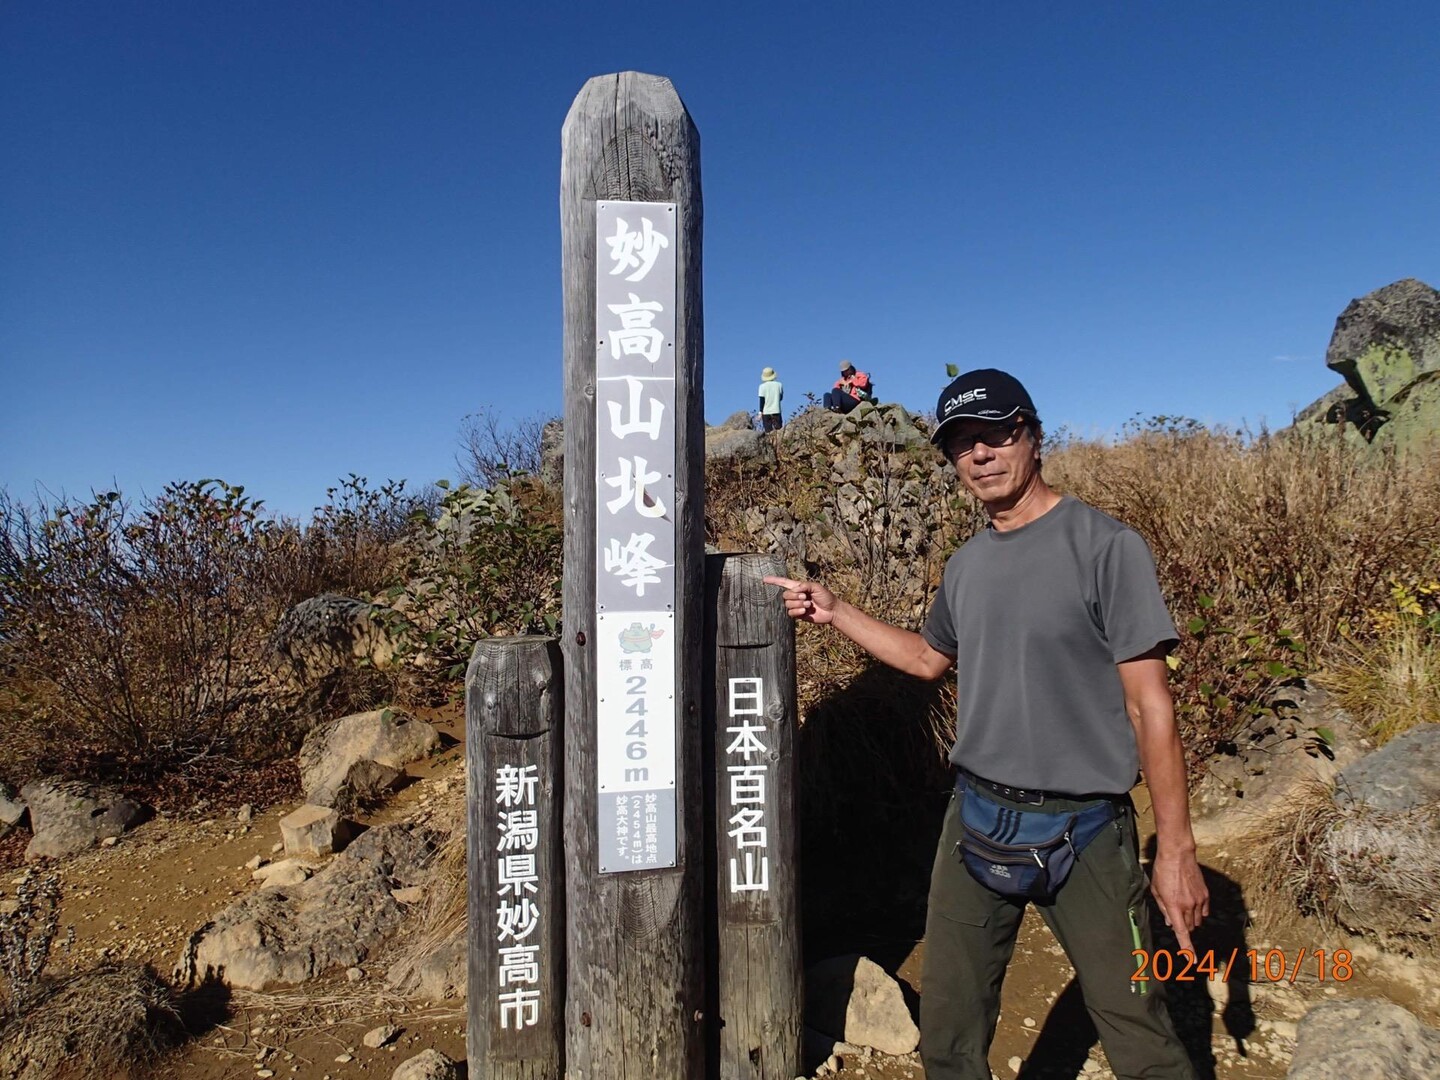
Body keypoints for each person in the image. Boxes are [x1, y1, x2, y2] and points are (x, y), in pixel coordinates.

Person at [766, 368, 1206, 1080]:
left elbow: (1150, 704)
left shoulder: (1105, 546)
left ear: (1032, 436)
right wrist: (834, 610)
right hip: (976, 821)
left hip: (1087, 828)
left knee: (1136, 1028)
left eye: (996, 433)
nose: (980, 454)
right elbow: (926, 659)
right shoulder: (966, 567)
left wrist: (1176, 849)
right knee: (949, 1031)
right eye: (962, 442)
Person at [757, 366, 784, 432]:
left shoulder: (762, 387)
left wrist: (760, 412)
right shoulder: (779, 385)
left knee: (768, 432)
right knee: (779, 430)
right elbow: (780, 398)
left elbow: (762, 400)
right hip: (777, 410)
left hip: (766, 412)